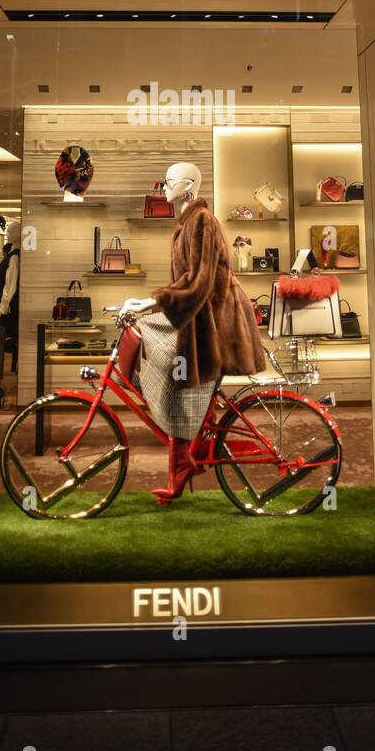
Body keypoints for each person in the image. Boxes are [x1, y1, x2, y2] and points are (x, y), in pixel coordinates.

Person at [120, 163, 265, 504]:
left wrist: (153, 301)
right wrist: (150, 302)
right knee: (177, 374)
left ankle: (183, 463)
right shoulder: (188, 221)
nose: (163, 187)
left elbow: (199, 282)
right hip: (204, 317)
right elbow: (188, 281)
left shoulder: (202, 222)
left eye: (169, 182)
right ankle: (188, 454)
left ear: (188, 187)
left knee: (178, 380)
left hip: (216, 322)